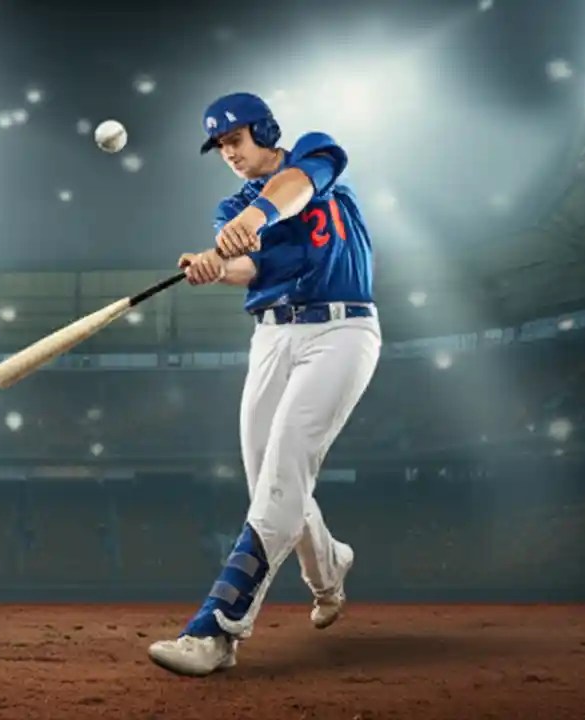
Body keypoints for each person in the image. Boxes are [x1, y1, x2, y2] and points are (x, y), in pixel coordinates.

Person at [147, 93, 381, 676]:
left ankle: (216, 631)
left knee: (282, 476)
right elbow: (251, 267)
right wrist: (212, 268)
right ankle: (328, 569)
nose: (228, 153)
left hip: (341, 329)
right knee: (270, 484)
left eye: (235, 139)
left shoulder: (310, 155)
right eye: (220, 146)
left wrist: (253, 221)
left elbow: (296, 188)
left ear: (267, 131)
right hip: (273, 336)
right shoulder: (231, 206)